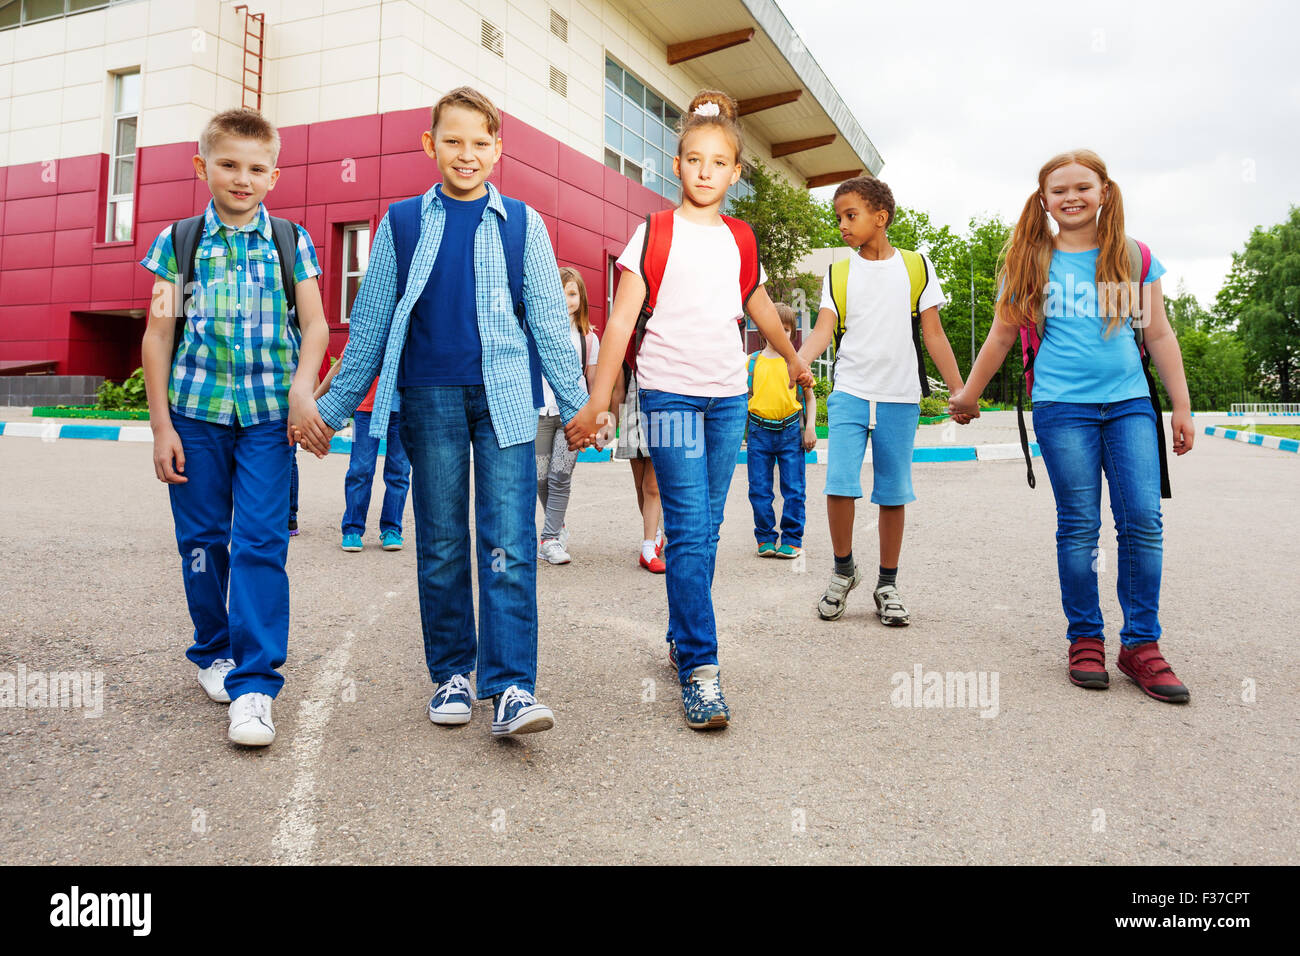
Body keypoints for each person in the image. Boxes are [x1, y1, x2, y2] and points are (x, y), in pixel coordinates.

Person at [296, 87, 590, 737]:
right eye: (453, 141)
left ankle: (512, 686)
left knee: (509, 542)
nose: (467, 154)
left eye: (481, 143)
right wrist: (330, 410)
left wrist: (579, 408)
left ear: (498, 150)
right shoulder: (401, 223)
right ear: (430, 146)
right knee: (443, 541)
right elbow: (369, 328)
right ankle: (454, 673)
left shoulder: (524, 224)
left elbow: (549, 323)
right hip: (428, 400)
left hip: (507, 402)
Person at [566, 90, 814, 730]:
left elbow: (756, 303)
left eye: (720, 162)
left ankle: (681, 635)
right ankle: (702, 668)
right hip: (670, 394)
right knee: (691, 524)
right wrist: (599, 400)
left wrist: (791, 356)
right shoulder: (654, 232)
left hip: (728, 397)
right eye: (695, 159)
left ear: (735, 173)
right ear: (676, 166)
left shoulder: (741, 237)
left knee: (701, 530)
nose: (706, 171)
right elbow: (621, 319)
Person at [948, 149, 1194, 703]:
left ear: (1105, 191)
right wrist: (968, 394)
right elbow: (1002, 336)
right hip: (1062, 408)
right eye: (1059, 190)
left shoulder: (1133, 257)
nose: (1072, 196)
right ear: (1044, 200)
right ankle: (1085, 637)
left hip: (1130, 404)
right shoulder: (1031, 260)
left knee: (1143, 522)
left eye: (1084, 186)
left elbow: (1159, 336)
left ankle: (1141, 646)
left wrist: (1180, 407)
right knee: (1080, 526)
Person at [139, 107, 328, 747]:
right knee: (202, 539)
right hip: (195, 415)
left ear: (274, 175)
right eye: (227, 165)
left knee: (259, 541)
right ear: (203, 167)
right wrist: (161, 425)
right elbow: (159, 334)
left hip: (270, 420)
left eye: (255, 168)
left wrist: (303, 390)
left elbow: (317, 327)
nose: (241, 178)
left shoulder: (291, 243)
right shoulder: (179, 242)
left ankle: (253, 685)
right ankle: (213, 651)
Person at [798, 176, 965, 627]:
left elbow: (933, 334)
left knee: (893, 493)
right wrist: (797, 362)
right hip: (851, 391)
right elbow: (822, 330)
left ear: (880, 217)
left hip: (900, 396)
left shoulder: (916, 266)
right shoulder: (838, 271)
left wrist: (959, 390)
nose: (842, 226)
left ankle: (887, 584)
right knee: (839, 484)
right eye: (838, 218)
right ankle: (843, 571)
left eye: (850, 216)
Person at [535, 267, 600, 564]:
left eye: (572, 293)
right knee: (539, 477)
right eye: (560, 293)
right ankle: (557, 525)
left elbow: (593, 383)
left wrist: (598, 419)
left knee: (560, 476)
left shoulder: (588, 339)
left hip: (572, 417)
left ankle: (549, 540)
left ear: (581, 297)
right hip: (540, 412)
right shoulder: (538, 329)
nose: (566, 299)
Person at [314, 354, 411, 552]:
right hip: (365, 409)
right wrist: (313, 401)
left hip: (403, 406)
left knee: (400, 470)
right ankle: (352, 528)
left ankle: (392, 529)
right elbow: (341, 364)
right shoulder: (369, 323)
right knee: (360, 469)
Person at [747, 302, 818, 559]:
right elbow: (742, 398)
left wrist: (809, 427)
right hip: (758, 433)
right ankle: (765, 537)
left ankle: (792, 539)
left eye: (787, 329)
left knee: (794, 488)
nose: (783, 334)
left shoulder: (797, 363)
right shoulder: (751, 363)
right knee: (759, 489)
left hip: (790, 432)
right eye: (777, 328)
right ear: (764, 330)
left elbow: (810, 398)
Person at [611, 357, 666, 572]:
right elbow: (618, 391)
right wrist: (607, 427)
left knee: (652, 487)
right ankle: (655, 534)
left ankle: (648, 548)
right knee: (640, 486)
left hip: (661, 415)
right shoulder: (627, 348)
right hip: (632, 418)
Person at [288, 349, 335, 537]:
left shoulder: (305, 338)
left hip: (292, 402)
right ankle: (289, 518)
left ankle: (290, 516)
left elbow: (314, 375)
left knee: (288, 459)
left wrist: (311, 409)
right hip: (291, 400)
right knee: (289, 460)